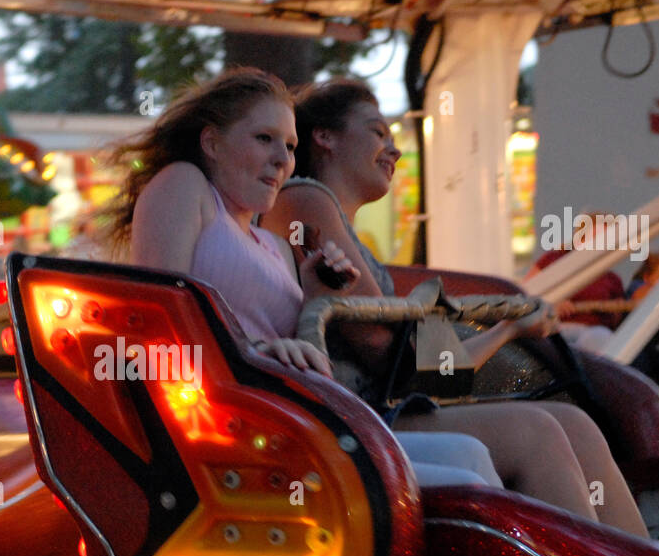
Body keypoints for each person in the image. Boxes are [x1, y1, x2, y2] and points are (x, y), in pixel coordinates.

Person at [261, 77, 648, 536]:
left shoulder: (327, 214)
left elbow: (405, 353)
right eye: (377, 132)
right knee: (538, 433)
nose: (394, 150)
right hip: (354, 413)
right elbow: (388, 350)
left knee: (574, 423)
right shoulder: (305, 198)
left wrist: (502, 325)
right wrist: (506, 330)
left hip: (377, 405)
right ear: (324, 137)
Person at [107, 68, 502, 490]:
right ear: (212, 142)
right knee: (464, 485)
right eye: (264, 139)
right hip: (226, 428)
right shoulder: (185, 186)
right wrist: (255, 350)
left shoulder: (273, 245)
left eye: (291, 146)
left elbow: (300, 352)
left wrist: (316, 296)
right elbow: (154, 318)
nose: (283, 159)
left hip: (293, 420)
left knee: (470, 454)